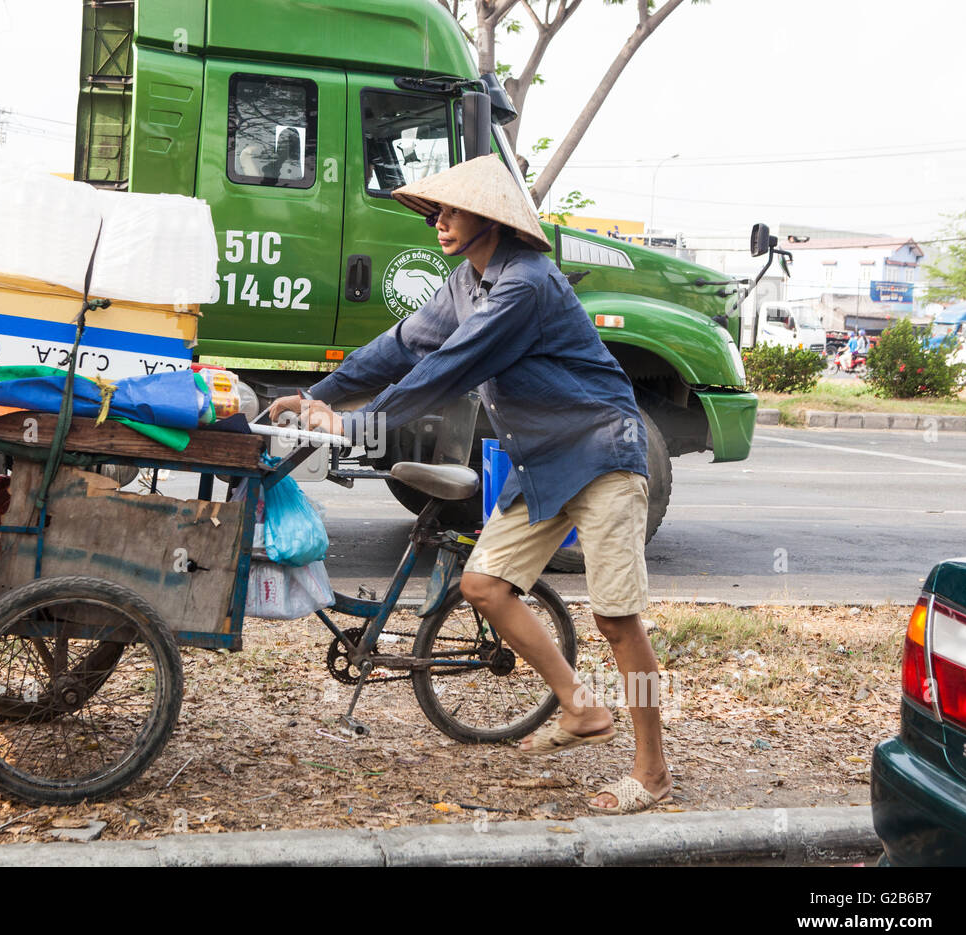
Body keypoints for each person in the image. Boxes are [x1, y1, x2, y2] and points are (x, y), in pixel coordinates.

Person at [268, 154, 670, 813]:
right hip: (541, 461)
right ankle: (580, 707)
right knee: (483, 586)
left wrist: (355, 422)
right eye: (436, 212)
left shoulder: (525, 285)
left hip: (602, 453)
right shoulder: (465, 283)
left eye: (451, 212)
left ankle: (653, 771)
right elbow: (401, 347)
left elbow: (447, 369)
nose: (438, 223)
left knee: (618, 619)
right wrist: (316, 394)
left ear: (491, 220)